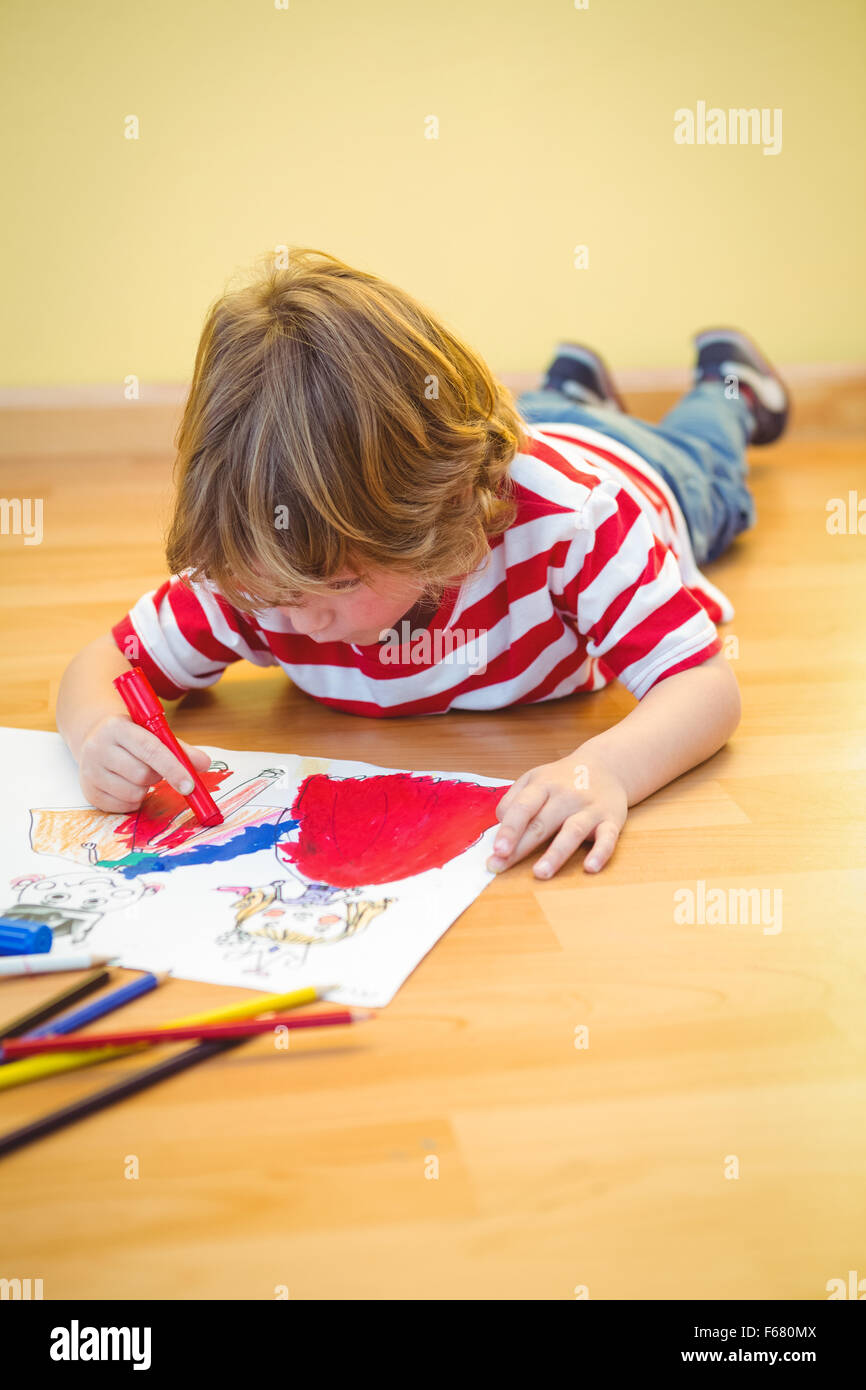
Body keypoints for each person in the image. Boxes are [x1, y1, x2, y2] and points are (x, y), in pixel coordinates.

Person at [56, 249, 789, 880]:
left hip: (648, 473)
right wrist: (96, 732)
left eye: (340, 586)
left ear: (451, 524)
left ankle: (727, 387)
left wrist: (607, 769)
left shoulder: (575, 524)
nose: (297, 617)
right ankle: (568, 387)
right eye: (265, 592)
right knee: (535, 407)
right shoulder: (260, 568)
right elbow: (101, 665)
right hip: (507, 434)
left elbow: (701, 686)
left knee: (711, 461)